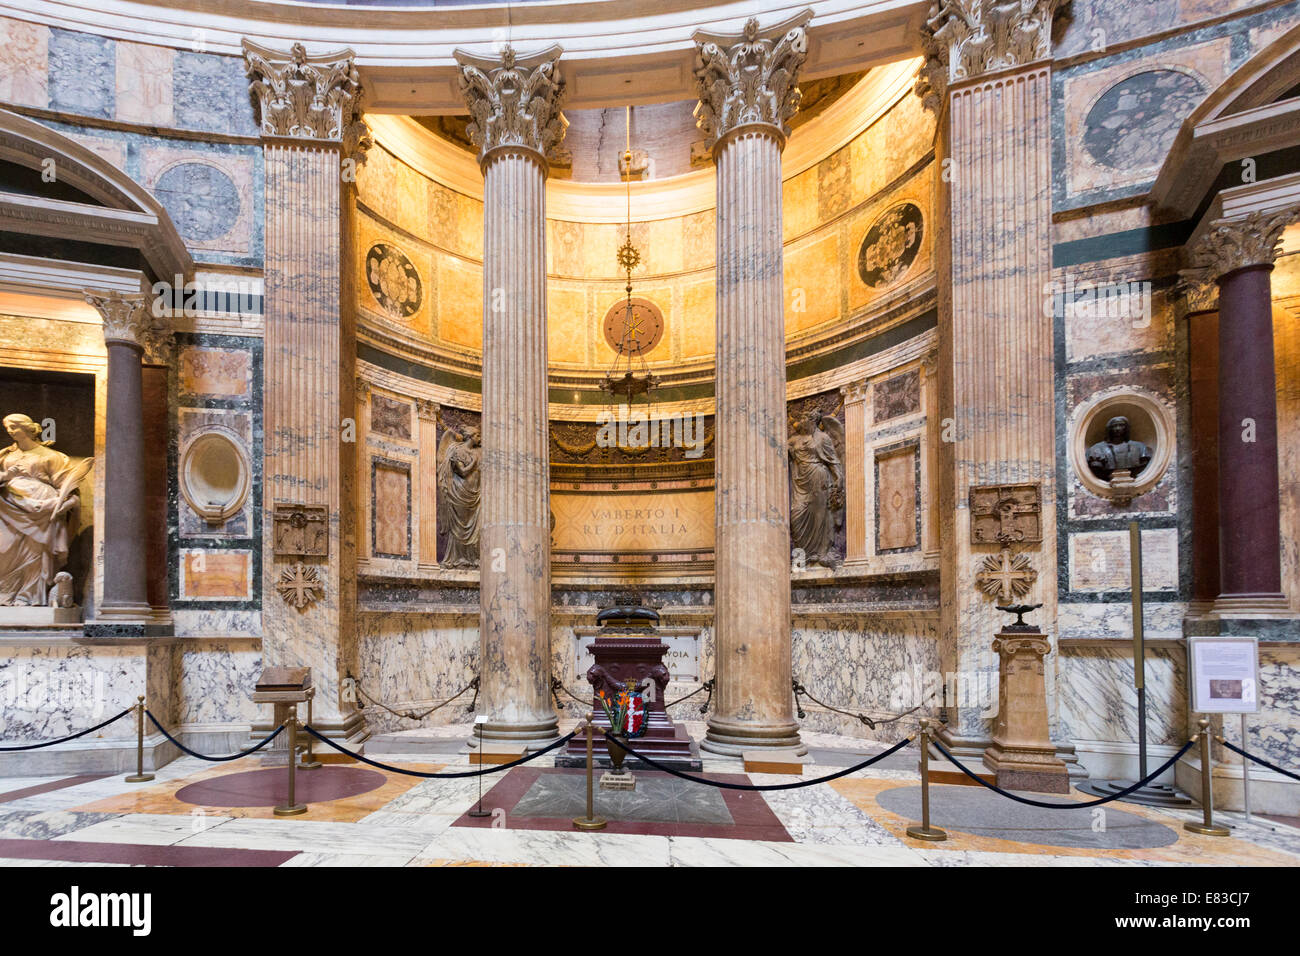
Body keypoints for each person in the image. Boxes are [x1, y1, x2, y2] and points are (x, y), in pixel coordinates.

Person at [0, 414, 89, 606]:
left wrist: (66, 503)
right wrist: (7, 474)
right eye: (7, 427)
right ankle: (4, 595)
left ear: (28, 429)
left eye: (14, 427)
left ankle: (28, 596)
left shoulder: (51, 456)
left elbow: (66, 487)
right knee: (4, 550)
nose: (9, 430)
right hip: (8, 506)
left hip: (42, 506)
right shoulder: (5, 455)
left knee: (35, 553)